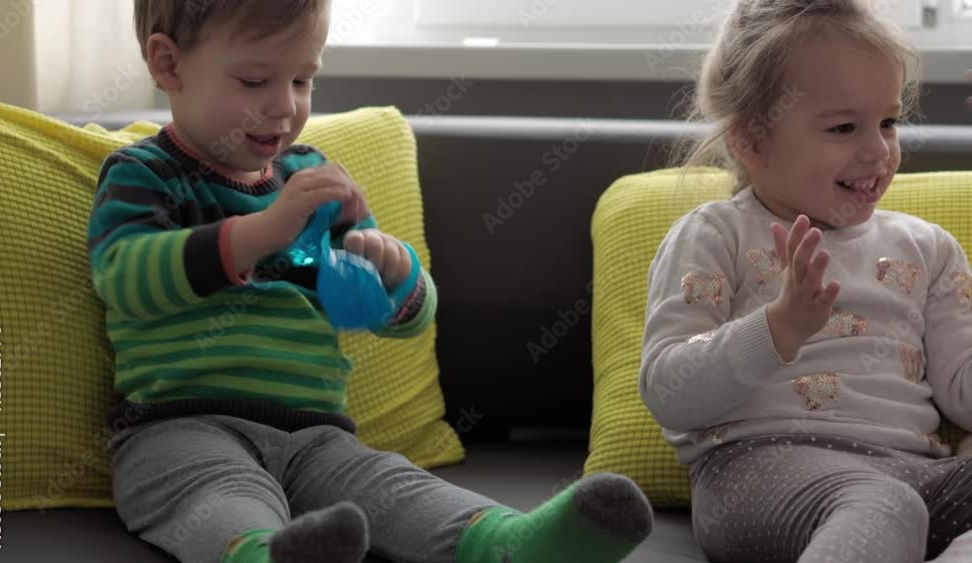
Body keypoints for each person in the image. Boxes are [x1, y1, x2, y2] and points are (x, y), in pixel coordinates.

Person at [87, 1, 654, 562]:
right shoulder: (144, 175)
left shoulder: (309, 177)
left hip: (317, 435)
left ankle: (511, 544)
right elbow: (125, 277)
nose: (286, 106)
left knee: (392, 487)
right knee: (219, 497)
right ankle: (265, 556)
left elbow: (395, 316)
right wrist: (260, 231)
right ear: (168, 65)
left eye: (304, 79)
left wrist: (394, 271)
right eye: (255, 79)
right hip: (181, 427)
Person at [640, 1, 972, 561]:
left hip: (915, 474)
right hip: (758, 469)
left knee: (896, 504)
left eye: (888, 122)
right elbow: (668, 389)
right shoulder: (716, 235)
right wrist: (776, 329)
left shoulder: (929, 249)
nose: (878, 151)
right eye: (844, 127)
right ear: (752, 142)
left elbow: (961, 385)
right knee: (886, 506)